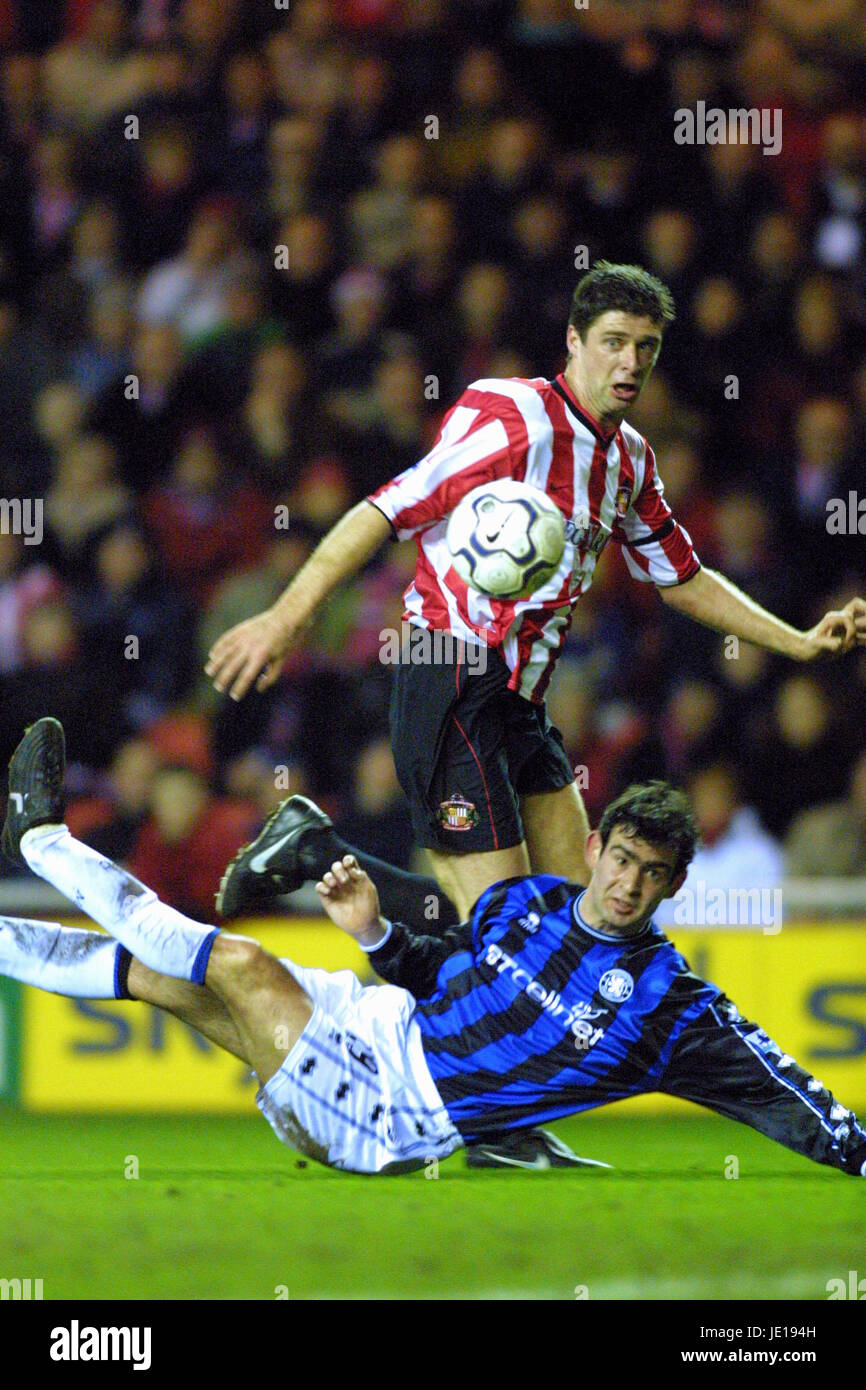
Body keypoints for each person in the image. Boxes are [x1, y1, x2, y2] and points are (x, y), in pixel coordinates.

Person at [206, 261, 866, 932]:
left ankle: (316, 852)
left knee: (584, 923)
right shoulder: (515, 415)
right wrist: (287, 617)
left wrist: (798, 639)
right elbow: (388, 508)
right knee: (504, 927)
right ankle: (315, 852)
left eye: (646, 347)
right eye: (614, 341)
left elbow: (683, 577)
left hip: (522, 702)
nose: (631, 361)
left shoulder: (630, 459)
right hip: (449, 672)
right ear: (575, 341)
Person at [3, 718, 864, 1179]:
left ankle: (42, 840)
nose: (630, 884)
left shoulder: (672, 1005)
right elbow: (437, 969)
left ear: (674, 888)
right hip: (376, 1023)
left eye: (654, 875)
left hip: (392, 1114)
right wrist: (374, 930)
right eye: (624, 859)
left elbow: (782, 1084)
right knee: (158, 978)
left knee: (235, 961)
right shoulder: (529, 902)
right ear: (597, 848)